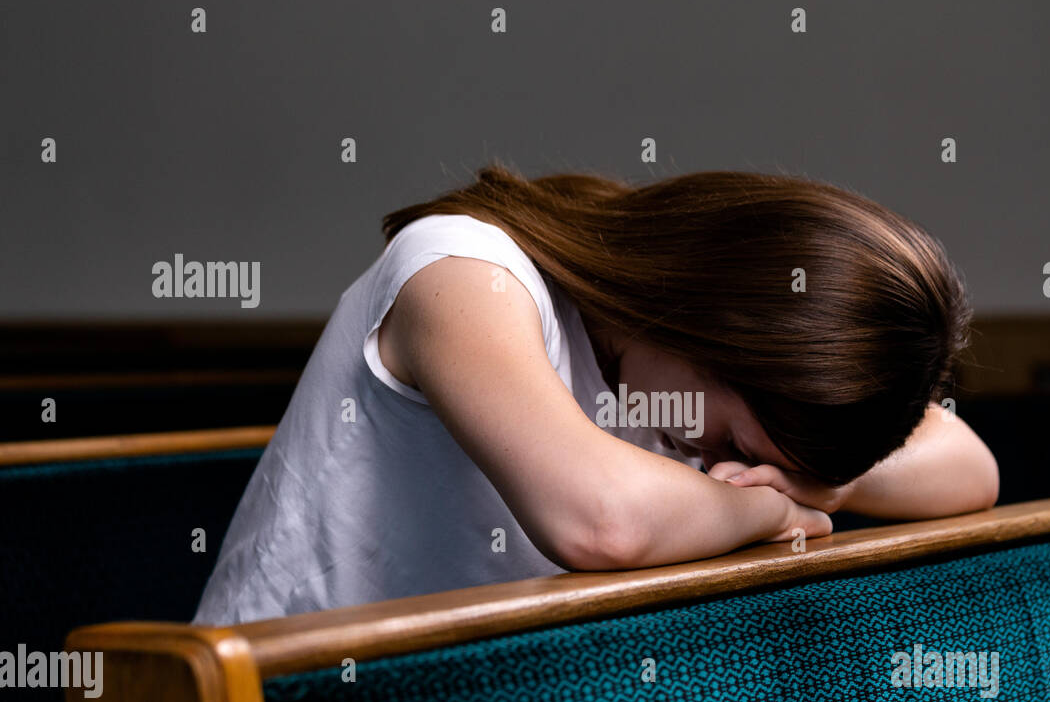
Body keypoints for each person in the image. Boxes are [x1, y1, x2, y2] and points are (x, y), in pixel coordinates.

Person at [193, 163, 997, 626]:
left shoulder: (686, 380)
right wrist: (769, 511)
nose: (713, 462)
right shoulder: (462, 270)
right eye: (735, 444)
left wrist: (809, 476)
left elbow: (970, 468)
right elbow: (601, 521)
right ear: (712, 317)